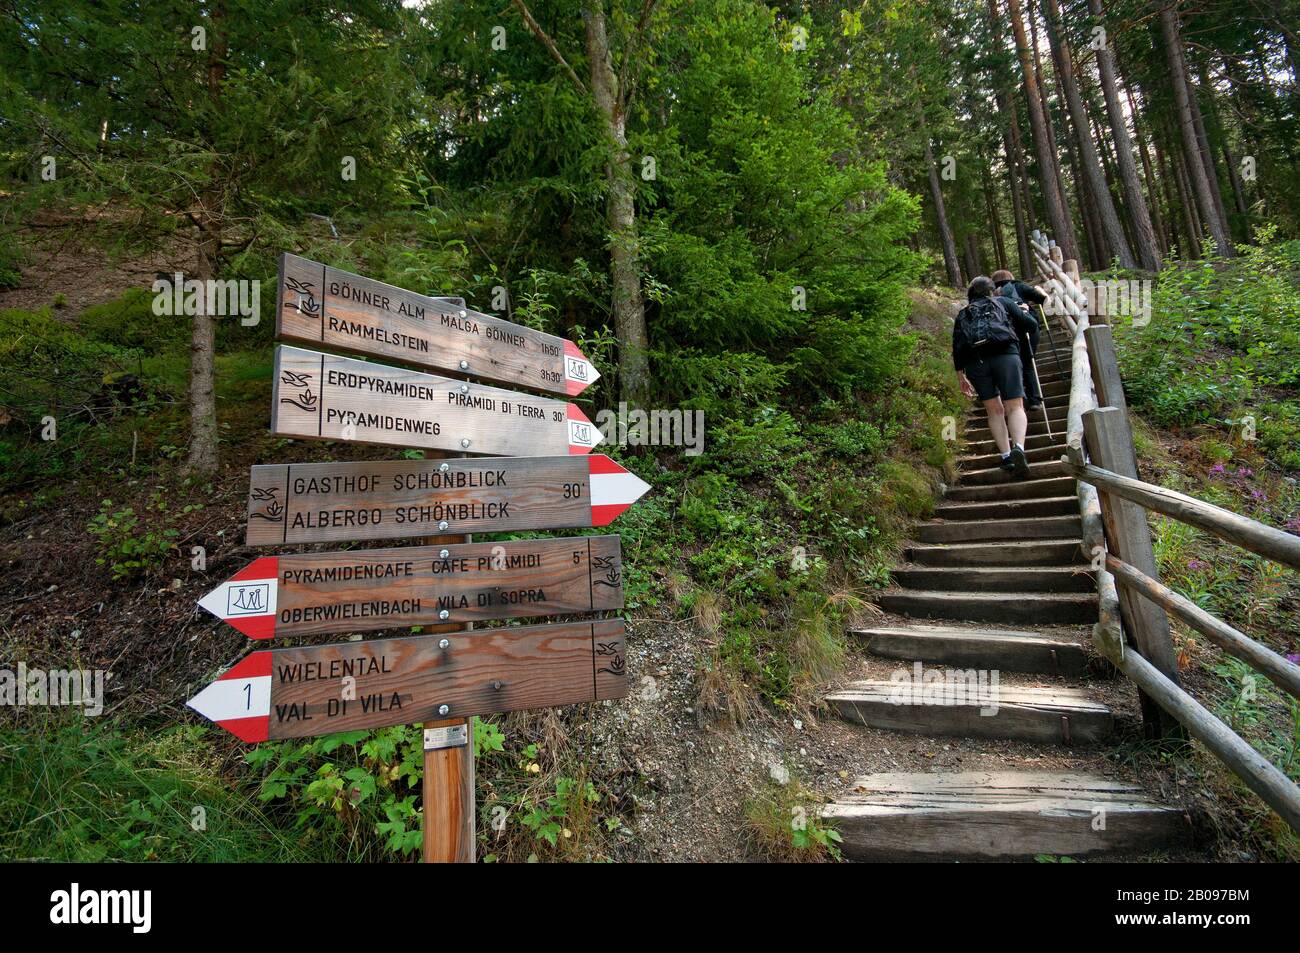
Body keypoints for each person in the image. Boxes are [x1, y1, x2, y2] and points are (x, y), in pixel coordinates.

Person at [953, 275, 1037, 478]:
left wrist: (960, 377)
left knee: (994, 410)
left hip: (976, 363)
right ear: (992, 291)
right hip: (1006, 356)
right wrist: (1025, 311)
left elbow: (957, 346)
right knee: (1014, 406)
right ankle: (1019, 447)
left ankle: (1006, 456)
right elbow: (1031, 326)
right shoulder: (1004, 302)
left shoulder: (963, 313)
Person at [991, 268, 1049, 411]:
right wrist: (1041, 291)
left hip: (1004, 332)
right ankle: (1035, 399)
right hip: (1027, 328)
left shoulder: (990, 293)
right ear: (1010, 277)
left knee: (1012, 364)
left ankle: (1016, 400)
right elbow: (1043, 300)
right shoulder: (1018, 286)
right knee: (1028, 362)